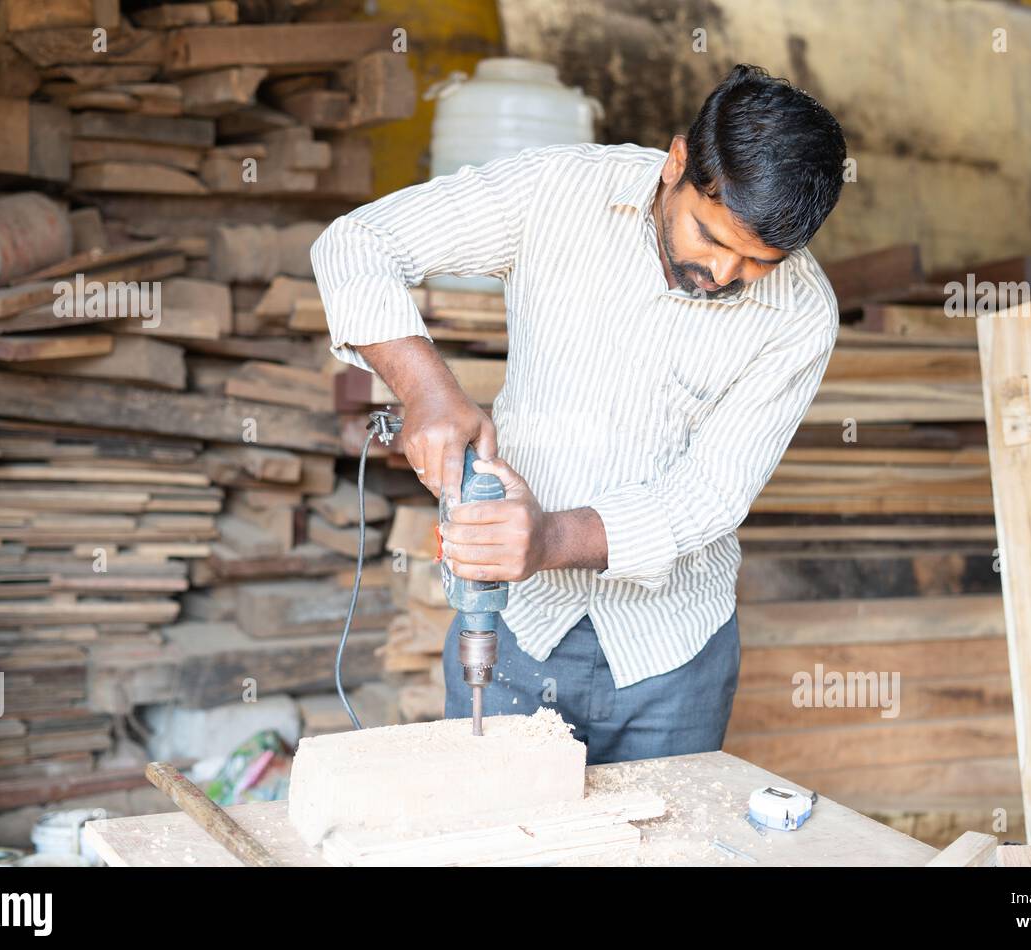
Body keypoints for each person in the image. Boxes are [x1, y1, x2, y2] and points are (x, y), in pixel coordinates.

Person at [311, 63, 846, 764]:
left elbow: (710, 492)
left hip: (672, 655)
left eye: (756, 264)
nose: (722, 275)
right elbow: (357, 244)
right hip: (514, 633)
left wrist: (548, 540)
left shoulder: (803, 314)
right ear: (677, 162)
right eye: (710, 238)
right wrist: (426, 390)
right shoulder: (556, 190)